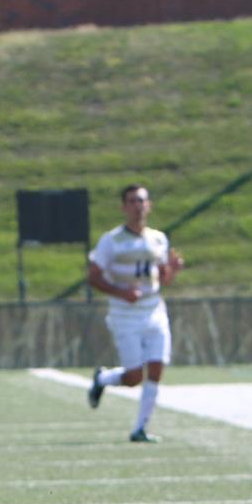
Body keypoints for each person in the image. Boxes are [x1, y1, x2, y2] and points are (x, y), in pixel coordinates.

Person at [86, 184, 183, 442]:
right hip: (125, 315)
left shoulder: (158, 239)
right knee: (132, 378)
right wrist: (121, 293)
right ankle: (104, 378)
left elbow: (163, 279)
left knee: (157, 366)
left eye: (141, 201)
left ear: (149, 205)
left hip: (153, 310)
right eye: (132, 202)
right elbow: (93, 277)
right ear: (123, 207)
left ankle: (140, 428)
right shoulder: (112, 240)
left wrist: (173, 270)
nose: (137, 206)